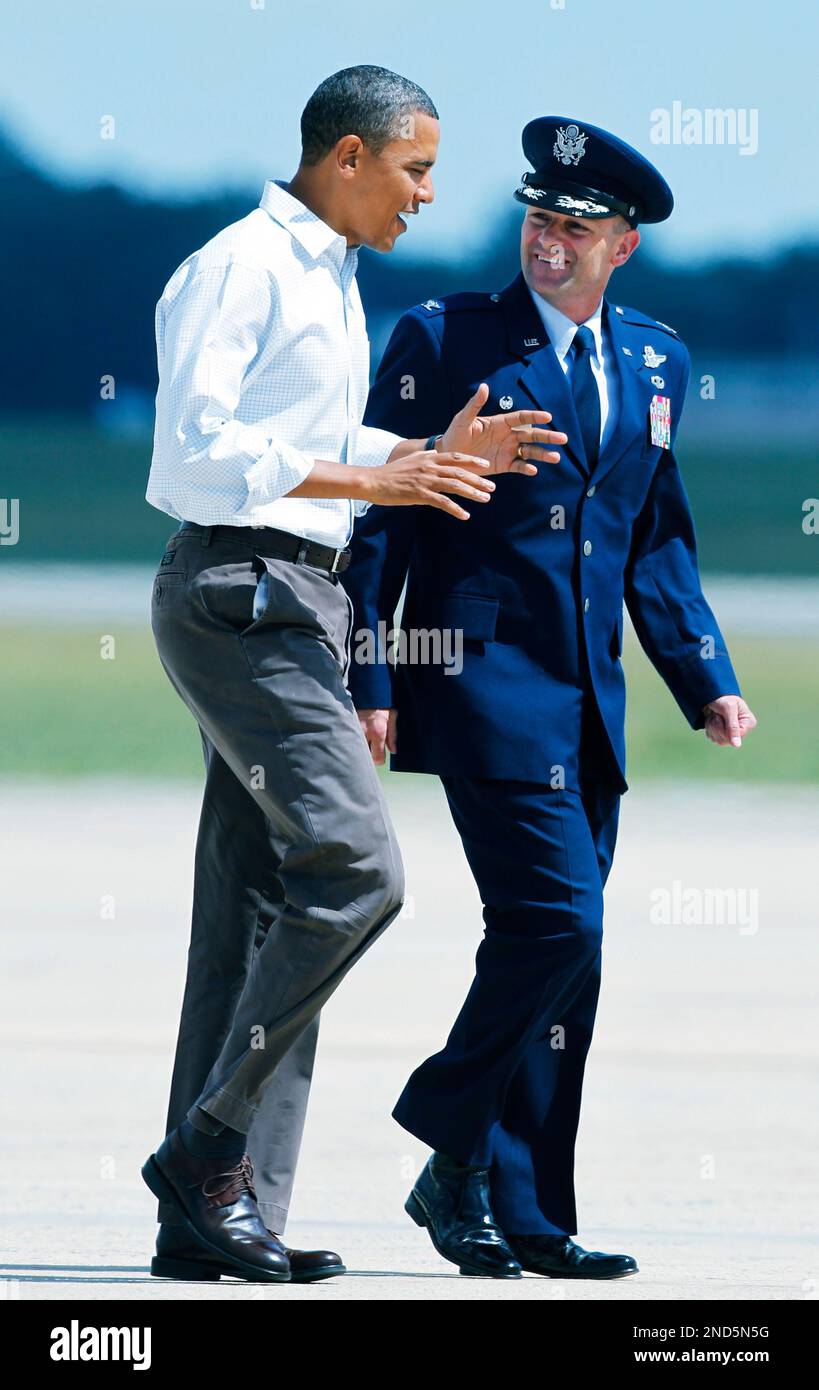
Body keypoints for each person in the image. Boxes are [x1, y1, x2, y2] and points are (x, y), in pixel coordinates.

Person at [140, 67, 562, 1285]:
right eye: (415, 168)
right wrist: (378, 482)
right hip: (242, 596)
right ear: (347, 157)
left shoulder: (328, 274)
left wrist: (423, 454)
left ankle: (215, 1215)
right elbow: (192, 454)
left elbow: (307, 442)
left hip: (298, 598)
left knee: (256, 909)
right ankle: (206, 1152)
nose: (426, 194)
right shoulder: (244, 266)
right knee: (356, 873)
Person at [345, 115, 758, 1279]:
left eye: (576, 228)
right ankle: (448, 1138)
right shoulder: (446, 339)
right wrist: (371, 672)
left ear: (623, 245)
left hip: (591, 703)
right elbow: (380, 518)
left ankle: (522, 1211)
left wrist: (705, 674)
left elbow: (653, 534)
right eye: (539, 220)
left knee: (569, 958)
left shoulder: (657, 363)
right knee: (559, 925)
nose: (550, 242)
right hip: (476, 679)